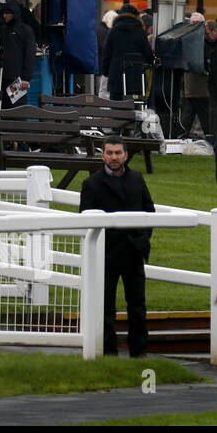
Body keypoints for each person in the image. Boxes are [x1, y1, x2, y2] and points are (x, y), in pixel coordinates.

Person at [80, 137, 154, 357]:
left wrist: (142, 239)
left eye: (118, 153)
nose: (114, 157)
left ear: (126, 155)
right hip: (106, 255)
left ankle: (139, 353)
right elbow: (85, 220)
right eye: (110, 153)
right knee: (105, 309)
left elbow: (149, 211)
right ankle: (108, 353)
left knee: (138, 307)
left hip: (133, 253)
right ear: (103, 155)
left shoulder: (137, 178)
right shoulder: (92, 183)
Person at [102, 4, 153, 102]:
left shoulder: (113, 31)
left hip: (116, 79)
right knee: (134, 110)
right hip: (135, 79)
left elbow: (106, 54)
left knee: (116, 109)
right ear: (136, 16)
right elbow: (148, 55)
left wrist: (106, 72)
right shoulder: (140, 32)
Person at [0, 0, 36, 107]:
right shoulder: (3, 29)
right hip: (2, 78)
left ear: (14, 13)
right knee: (4, 110)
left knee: (17, 111)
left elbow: (30, 55)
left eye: (7, 13)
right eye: (3, 13)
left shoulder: (25, 30)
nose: (4, 16)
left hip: (17, 80)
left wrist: (26, 78)